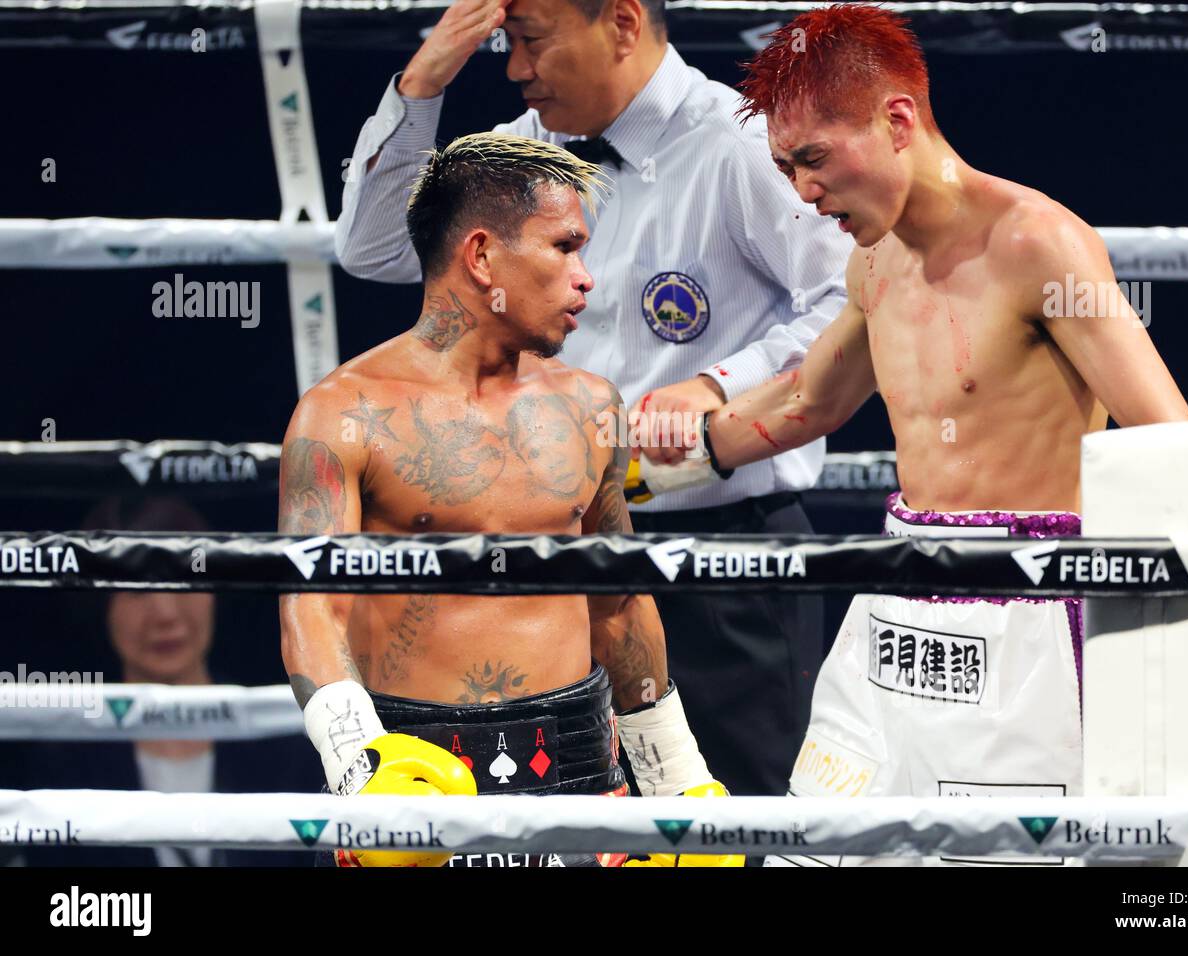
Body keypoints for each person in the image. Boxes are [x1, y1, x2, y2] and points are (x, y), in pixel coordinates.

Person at [639, 5, 1188, 865]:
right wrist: (631, 476)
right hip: (897, 593)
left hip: (1025, 608)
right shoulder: (874, 261)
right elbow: (803, 405)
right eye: (787, 168)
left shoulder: (1039, 243)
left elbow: (1168, 439)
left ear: (897, 120)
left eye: (815, 159)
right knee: (817, 846)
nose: (803, 192)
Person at [334, 0, 856, 797]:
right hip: (563, 555)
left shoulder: (739, 143)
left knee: (735, 826)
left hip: (717, 559)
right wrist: (425, 78)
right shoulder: (514, 159)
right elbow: (370, 249)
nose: (514, 67)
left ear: (619, 23)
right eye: (505, 43)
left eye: (531, 40)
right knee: (577, 829)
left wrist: (719, 383)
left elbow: (850, 298)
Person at [284, 132, 735, 868]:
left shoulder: (591, 406)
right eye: (564, 247)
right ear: (483, 257)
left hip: (583, 771)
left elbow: (617, 603)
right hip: (414, 772)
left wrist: (677, 775)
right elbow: (311, 610)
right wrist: (359, 766)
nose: (586, 278)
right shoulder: (344, 413)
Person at [20, 496, 320, 867]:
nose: (164, 613)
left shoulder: (286, 739)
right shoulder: (62, 761)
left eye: (181, 582)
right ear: (100, 607)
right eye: (135, 589)